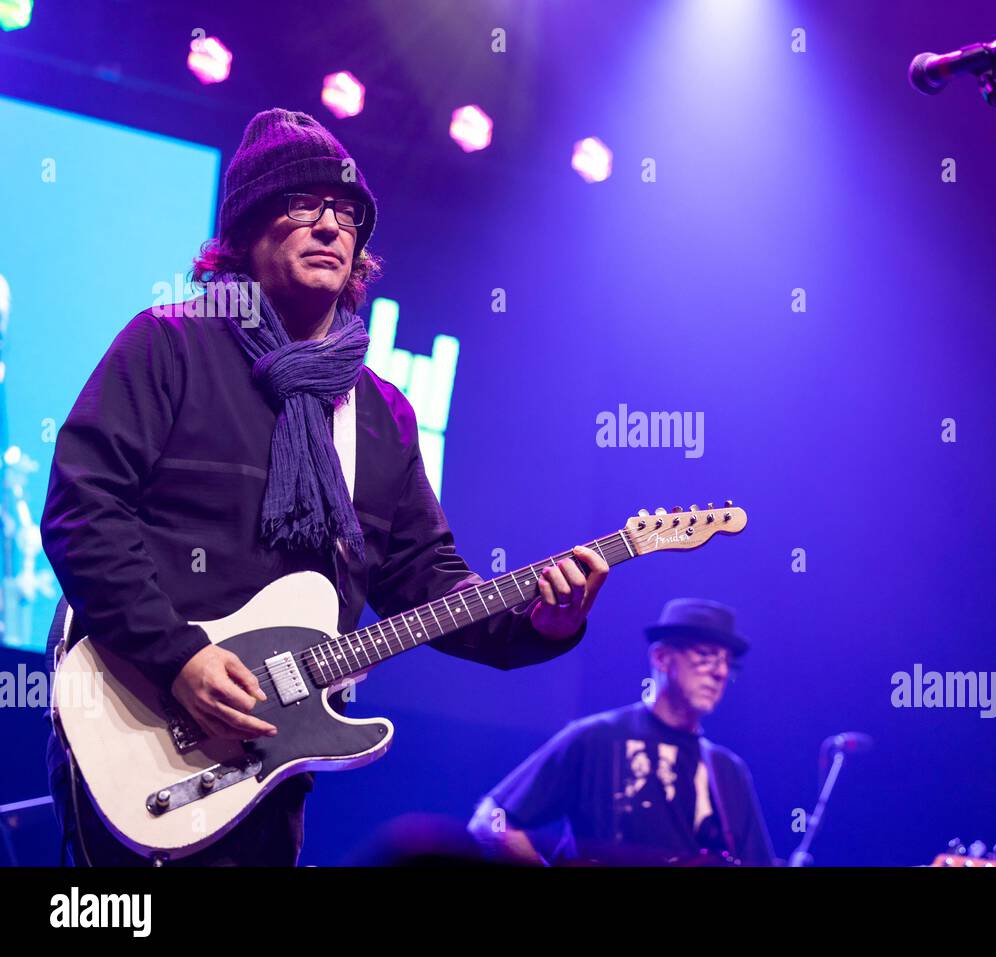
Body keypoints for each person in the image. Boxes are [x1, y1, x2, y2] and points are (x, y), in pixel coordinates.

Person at [40, 108, 608, 866]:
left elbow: (426, 582)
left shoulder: (382, 414)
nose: (331, 226)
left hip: (270, 772)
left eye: (347, 214)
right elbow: (85, 511)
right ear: (245, 227)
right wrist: (178, 657)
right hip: (139, 729)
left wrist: (541, 621)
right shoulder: (168, 344)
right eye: (303, 203)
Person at [470, 598, 774, 866]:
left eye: (726, 663)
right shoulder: (596, 737)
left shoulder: (727, 770)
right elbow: (492, 820)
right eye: (706, 655)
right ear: (662, 658)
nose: (720, 672)